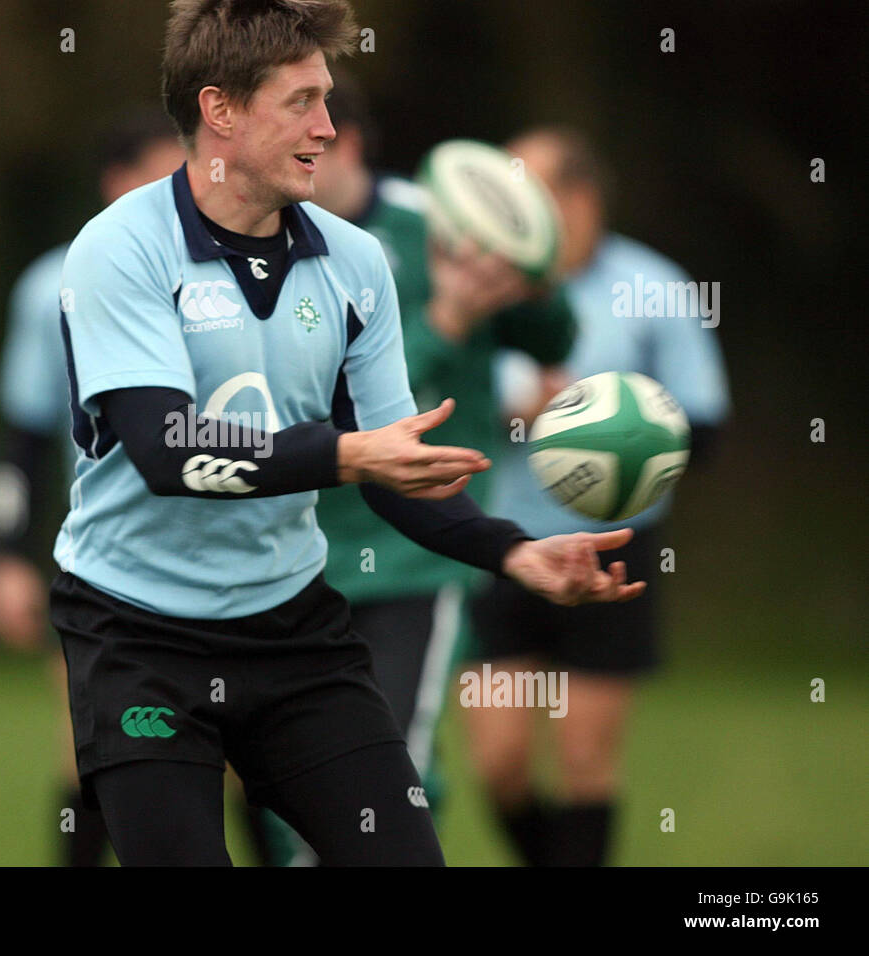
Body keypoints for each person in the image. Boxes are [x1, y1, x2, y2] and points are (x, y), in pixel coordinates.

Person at [49, 0, 643, 867]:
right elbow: (168, 450)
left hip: (290, 631)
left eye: (327, 100)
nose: (329, 128)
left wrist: (515, 552)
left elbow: (395, 466)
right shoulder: (120, 249)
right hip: (136, 636)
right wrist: (344, 451)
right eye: (301, 102)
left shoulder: (356, 262)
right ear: (220, 111)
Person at [261, 73, 577, 865]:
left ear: (350, 142)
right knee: (281, 777)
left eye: (310, 141)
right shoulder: (269, 243)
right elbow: (338, 402)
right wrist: (447, 319)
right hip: (292, 554)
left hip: (418, 554)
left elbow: (553, 333)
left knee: (389, 769)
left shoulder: (440, 223)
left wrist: (524, 271)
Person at [465, 126, 730, 866]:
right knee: (501, 765)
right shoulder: (482, 287)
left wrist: (611, 426)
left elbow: (706, 429)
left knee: (583, 759)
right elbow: (433, 411)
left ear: (575, 198)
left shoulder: (656, 285)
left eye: (526, 188)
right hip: (498, 546)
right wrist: (516, 415)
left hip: (611, 550)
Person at [0, 108, 183, 866]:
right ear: (115, 183)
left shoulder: (221, 279)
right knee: (93, 757)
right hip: (103, 561)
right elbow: (21, 441)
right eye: (160, 174)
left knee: (242, 767)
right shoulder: (52, 287)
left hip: (224, 557)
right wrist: (5, 554)